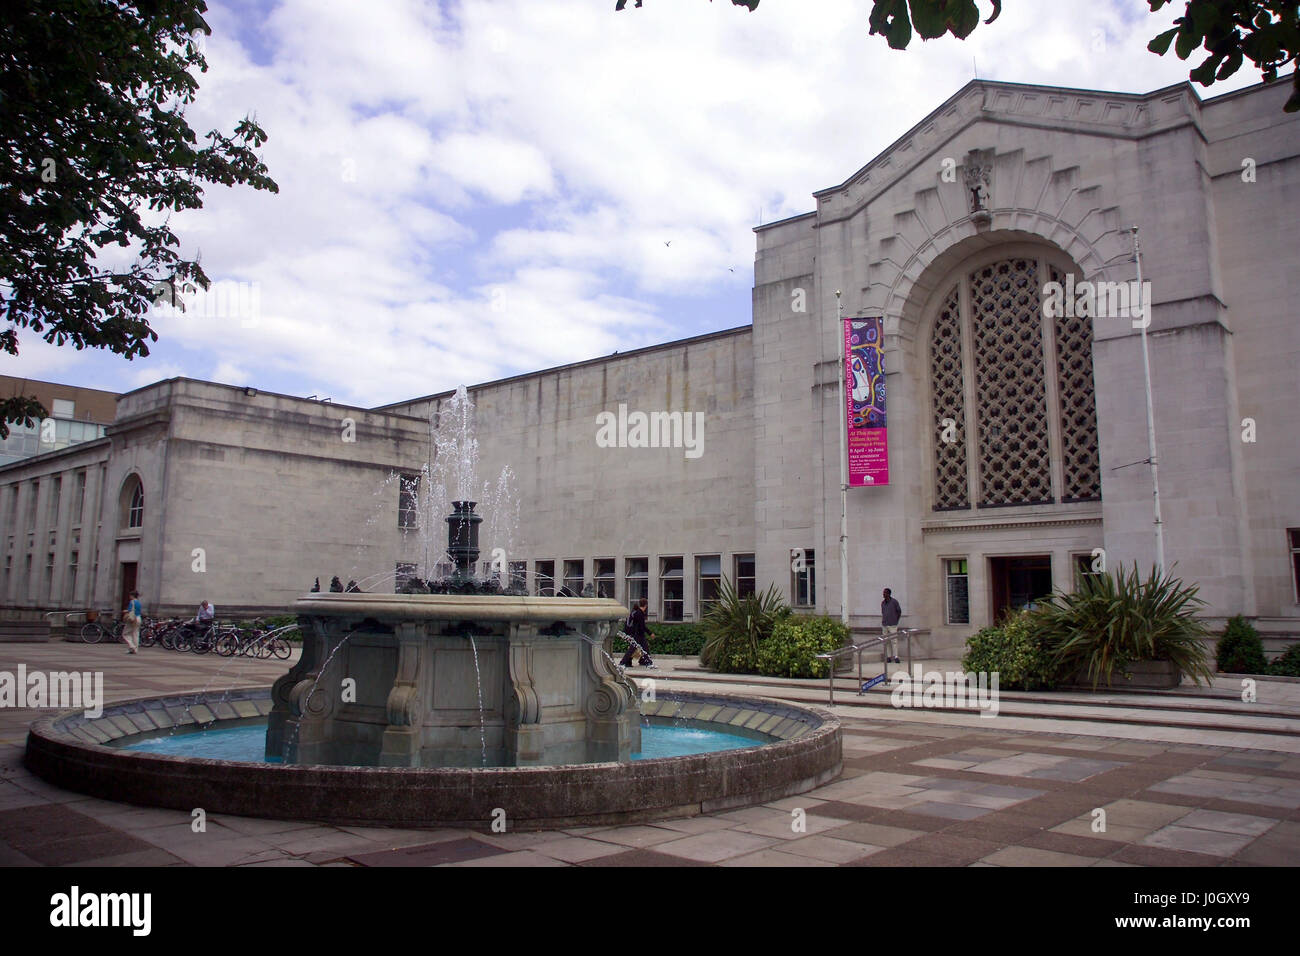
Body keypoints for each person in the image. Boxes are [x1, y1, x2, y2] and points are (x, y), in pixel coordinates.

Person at [619, 597, 655, 669]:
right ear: (646, 605)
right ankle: (622, 663)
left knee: (644, 648)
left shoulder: (636, 612)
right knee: (634, 649)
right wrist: (650, 633)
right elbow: (642, 626)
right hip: (638, 634)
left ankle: (648, 662)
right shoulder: (640, 613)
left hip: (636, 634)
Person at [881, 588, 902, 664]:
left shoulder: (894, 602)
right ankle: (888, 656)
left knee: (894, 641)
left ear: (889, 594)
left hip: (892, 624)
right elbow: (883, 612)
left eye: (885, 593)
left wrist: (896, 620)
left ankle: (896, 656)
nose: (883, 594)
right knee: (886, 641)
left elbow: (899, 611)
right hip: (885, 624)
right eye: (883, 593)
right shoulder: (883, 603)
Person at [122, 591, 143, 655]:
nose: (129, 597)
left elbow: (130, 610)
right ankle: (135, 650)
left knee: (125, 634)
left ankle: (132, 646)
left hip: (132, 619)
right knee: (136, 634)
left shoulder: (132, 602)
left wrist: (125, 611)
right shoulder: (139, 602)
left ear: (132, 596)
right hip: (138, 618)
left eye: (130, 595)